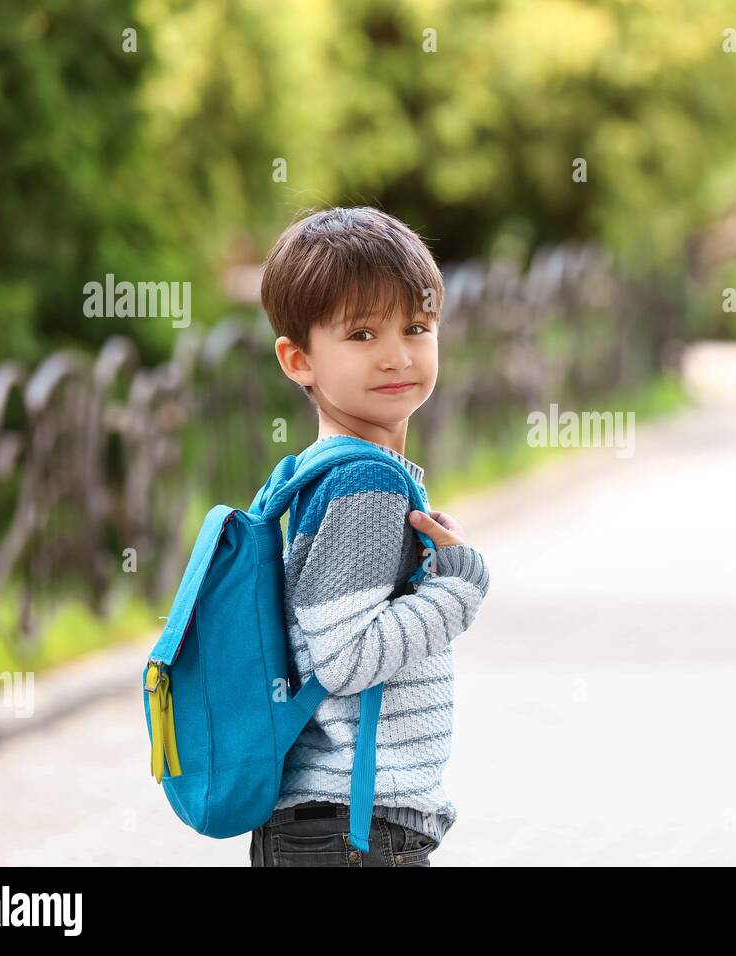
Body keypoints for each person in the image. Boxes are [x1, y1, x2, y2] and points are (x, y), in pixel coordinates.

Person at [248, 207, 491, 866]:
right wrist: (459, 590)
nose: (396, 354)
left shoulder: (320, 472)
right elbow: (347, 659)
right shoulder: (364, 484)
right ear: (299, 360)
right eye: (361, 333)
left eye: (416, 327)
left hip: (335, 828)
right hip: (354, 832)